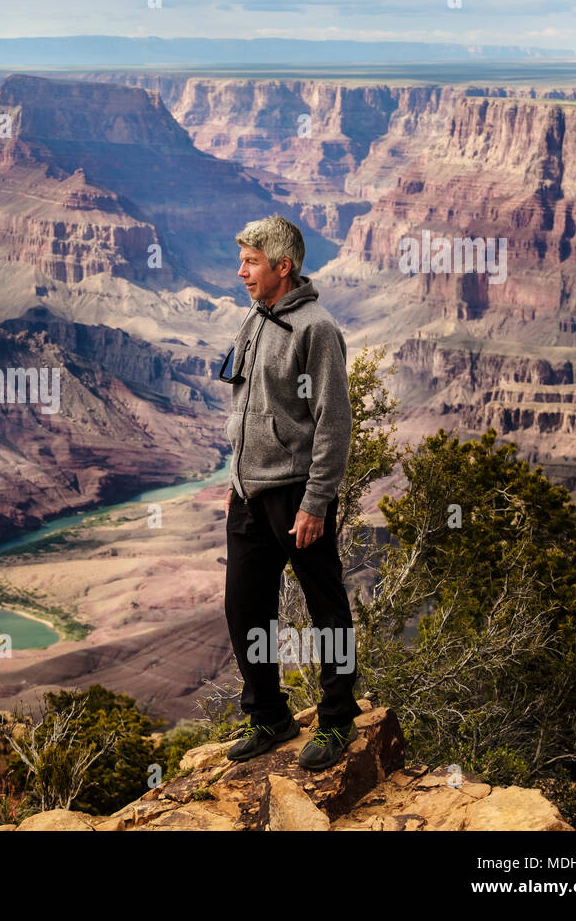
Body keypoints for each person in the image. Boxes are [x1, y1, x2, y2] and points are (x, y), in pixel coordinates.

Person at [219, 215, 359, 771]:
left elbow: (333, 421)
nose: (242, 271)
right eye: (242, 260)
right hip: (249, 493)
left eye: (252, 262)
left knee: (326, 608)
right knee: (245, 607)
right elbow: (244, 405)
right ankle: (270, 715)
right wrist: (235, 477)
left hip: (296, 494)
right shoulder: (256, 318)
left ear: (283, 267)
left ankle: (338, 720)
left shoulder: (316, 329)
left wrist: (316, 502)